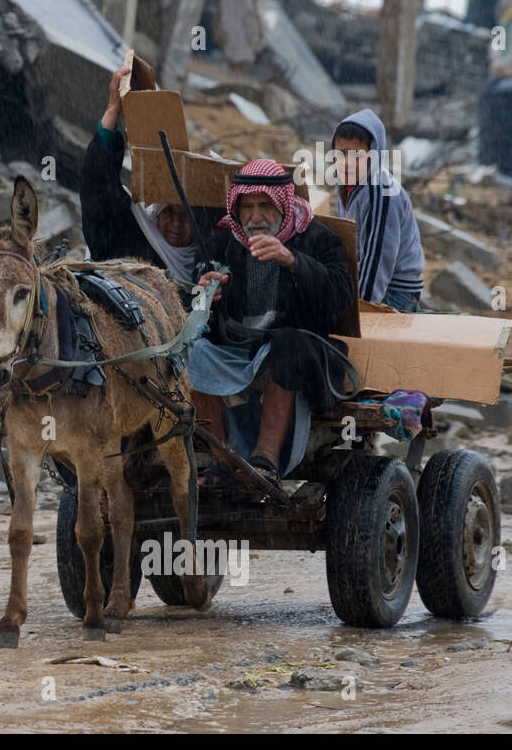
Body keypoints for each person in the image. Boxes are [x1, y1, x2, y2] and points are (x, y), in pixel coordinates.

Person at [191, 159, 355, 484]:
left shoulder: (317, 238)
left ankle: (264, 461)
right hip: (239, 349)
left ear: (281, 203)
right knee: (192, 352)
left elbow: (341, 296)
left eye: (265, 205)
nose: (255, 217)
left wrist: (292, 260)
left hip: (302, 353)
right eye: (247, 207)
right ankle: (222, 459)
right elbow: (193, 310)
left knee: (286, 342)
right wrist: (204, 297)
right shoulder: (222, 243)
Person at [79, 63, 215, 285]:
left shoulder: (209, 263)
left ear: (199, 221)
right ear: (158, 210)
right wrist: (114, 108)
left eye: (186, 216)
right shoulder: (130, 231)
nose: (176, 224)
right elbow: (96, 187)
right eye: (169, 211)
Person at [331, 109, 425, 312]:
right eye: (341, 154)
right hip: (365, 280)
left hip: (394, 290)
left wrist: (361, 308)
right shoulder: (347, 184)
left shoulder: (380, 192)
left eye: (357, 156)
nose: (346, 162)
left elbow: (378, 258)